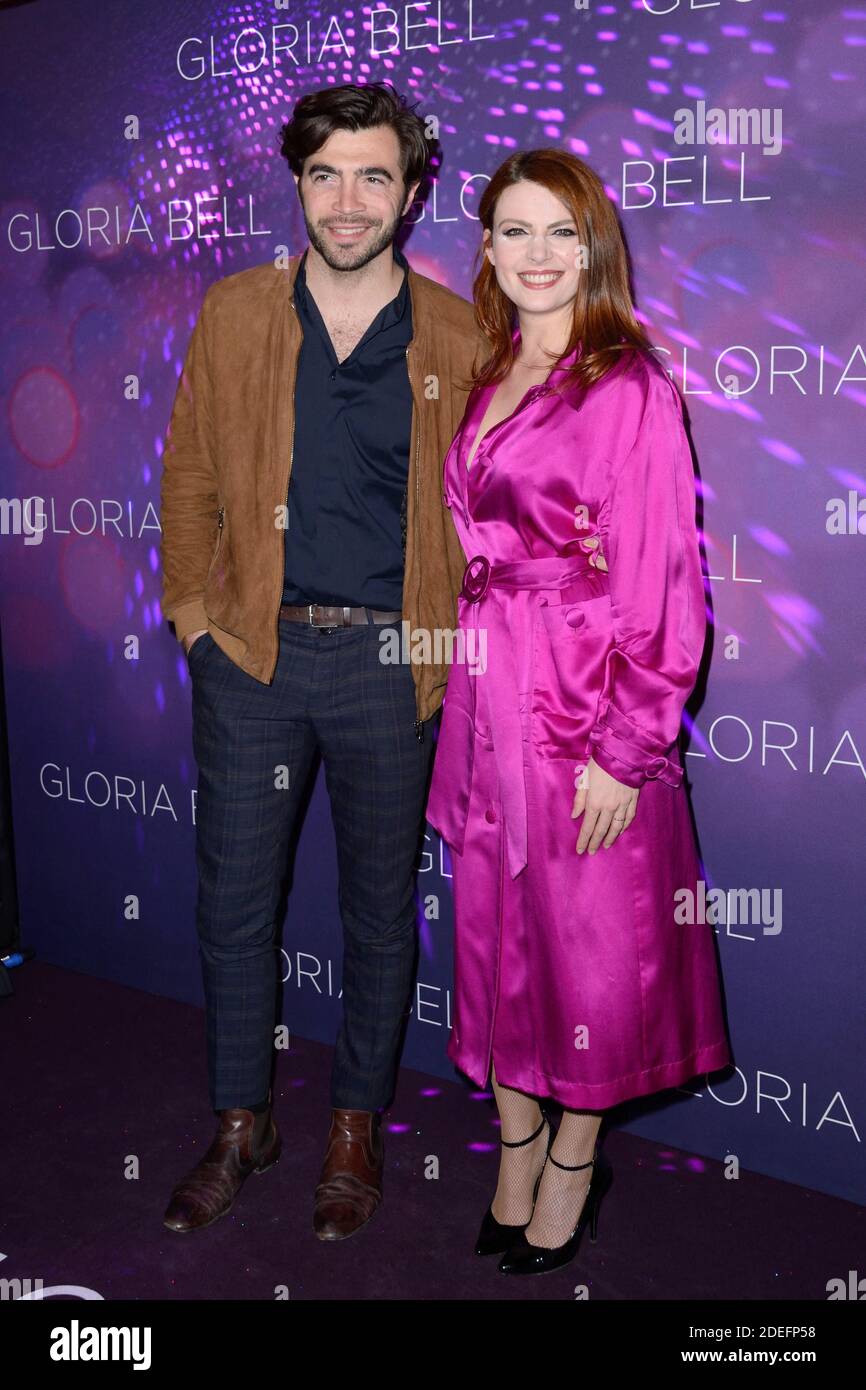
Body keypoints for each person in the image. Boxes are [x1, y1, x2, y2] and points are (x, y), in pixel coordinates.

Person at [159, 81, 484, 1239]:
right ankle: (242, 1121)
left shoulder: (457, 334)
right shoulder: (238, 311)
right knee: (234, 906)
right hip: (251, 656)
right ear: (297, 184)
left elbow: (480, 517)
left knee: (379, 915)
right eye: (324, 175)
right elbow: (190, 474)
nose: (347, 201)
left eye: (373, 176)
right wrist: (195, 621)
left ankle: (353, 1125)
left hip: (391, 665)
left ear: (409, 191)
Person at [425, 148, 732, 1275]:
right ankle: (514, 1145)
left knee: (587, 960)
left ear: (594, 245)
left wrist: (625, 748)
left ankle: (571, 1159)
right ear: (488, 250)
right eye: (514, 231)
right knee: (497, 947)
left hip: (583, 712)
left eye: (560, 231)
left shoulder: (630, 383)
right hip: (488, 700)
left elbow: (662, 587)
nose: (537, 254)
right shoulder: (491, 365)